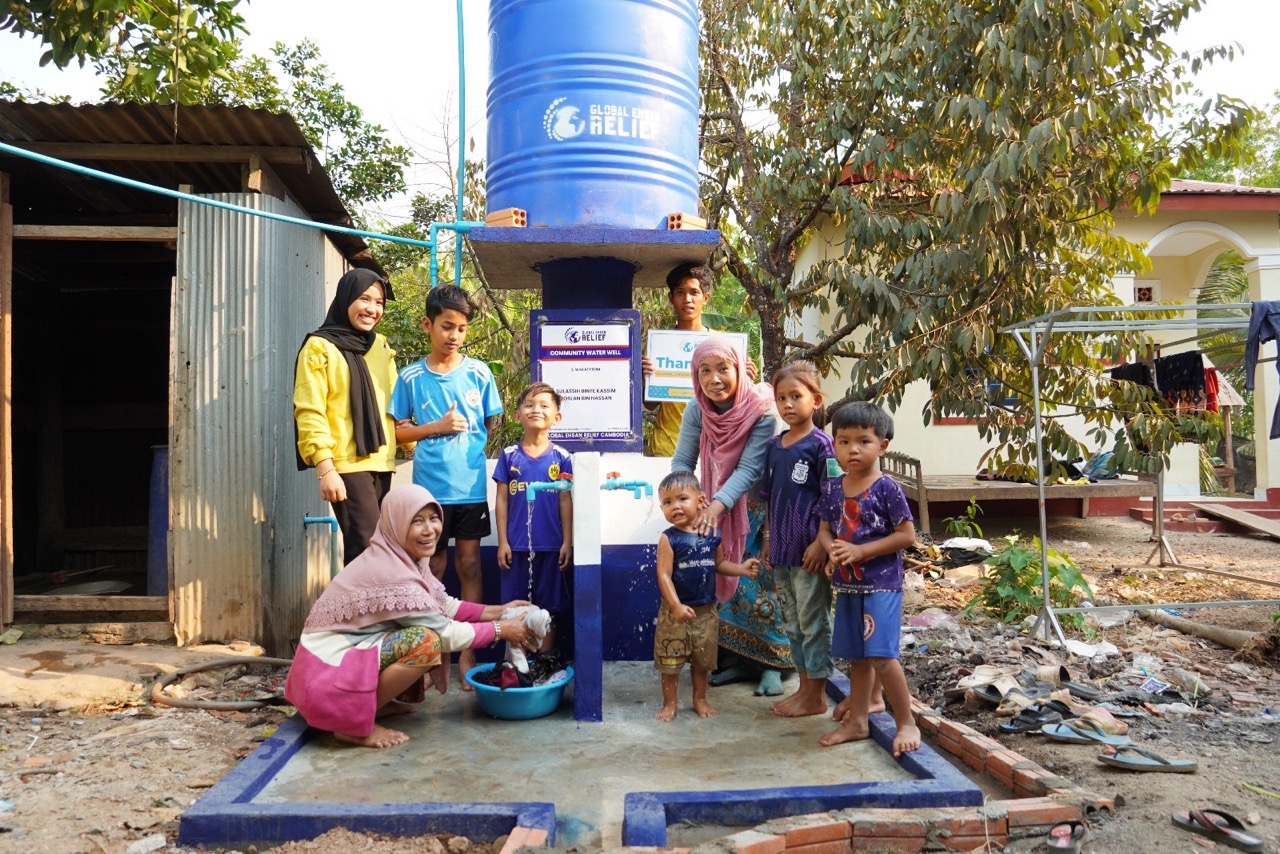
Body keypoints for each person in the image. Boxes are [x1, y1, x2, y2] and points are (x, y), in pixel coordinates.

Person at [284, 484, 537, 749]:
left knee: (422, 636)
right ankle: (352, 723)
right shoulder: (392, 572)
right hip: (323, 677)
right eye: (417, 521)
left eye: (434, 518)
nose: (429, 530)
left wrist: (500, 610)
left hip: (331, 666)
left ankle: (373, 704)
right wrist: (502, 629)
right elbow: (445, 633)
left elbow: (442, 605)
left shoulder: (401, 558)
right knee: (425, 642)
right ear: (396, 523)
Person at [389, 285, 503, 688]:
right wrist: (435, 428)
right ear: (428, 325)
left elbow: (489, 422)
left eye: (462, 328)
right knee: (432, 567)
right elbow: (398, 433)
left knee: (469, 564)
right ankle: (433, 652)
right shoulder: (410, 377)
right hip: (429, 493)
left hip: (469, 488)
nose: (454, 335)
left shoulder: (479, 373)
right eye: (446, 326)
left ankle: (467, 650)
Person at [670, 335, 789, 696]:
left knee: (761, 581)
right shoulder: (697, 409)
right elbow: (683, 461)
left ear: (739, 369)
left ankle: (773, 665)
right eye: (704, 371)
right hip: (715, 505)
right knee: (728, 584)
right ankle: (740, 660)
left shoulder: (762, 409)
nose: (714, 379)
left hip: (762, 507)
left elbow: (751, 468)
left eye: (723, 369)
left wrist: (715, 506)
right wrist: (686, 501)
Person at [815, 402, 921, 757]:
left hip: (881, 585)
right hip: (848, 587)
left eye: (863, 441)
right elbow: (825, 531)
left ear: (882, 446)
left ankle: (906, 722)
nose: (853, 450)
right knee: (858, 659)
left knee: (881, 656)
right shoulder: (833, 488)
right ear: (834, 444)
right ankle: (858, 722)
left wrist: (861, 551)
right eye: (843, 441)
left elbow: (906, 535)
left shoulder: (887, 488)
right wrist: (831, 552)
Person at [294, 268, 401, 564]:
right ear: (345, 298)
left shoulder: (380, 346)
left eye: (379, 302)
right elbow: (310, 410)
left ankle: (361, 598)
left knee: (379, 549)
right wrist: (325, 469)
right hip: (345, 464)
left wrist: (415, 442)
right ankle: (354, 598)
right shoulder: (319, 346)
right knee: (367, 549)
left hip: (382, 462)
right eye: (364, 299)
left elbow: (394, 403)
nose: (372, 309)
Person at [759, 360, 838, 718]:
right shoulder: (774, 447)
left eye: (796, 396)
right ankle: (804, 689)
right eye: (781, 398)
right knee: (792, 623)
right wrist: (768, 538)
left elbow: (833, 496)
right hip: (782, 551)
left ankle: (816, 695)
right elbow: (770, 497)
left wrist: (822, 542)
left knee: (813, 622)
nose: (788, 404)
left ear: (816, 400)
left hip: (809, 553)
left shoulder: (822, 446)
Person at [653, 470, 760, 721]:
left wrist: (741, 569)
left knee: (702, 661)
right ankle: (670, 703)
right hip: (675, 614)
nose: (675, 506)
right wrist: (676, 606)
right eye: (667, 502)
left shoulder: (712, 534)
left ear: (701, 500)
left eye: (682, 498)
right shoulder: (668, 539)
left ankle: (700, 699)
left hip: (705, 613)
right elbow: (664, 575)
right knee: (670, 660)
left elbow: (719, 564)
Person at [641, 263, 756, 457]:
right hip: (667, 448)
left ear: (706, 298)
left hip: (713, 449)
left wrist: (746, 381)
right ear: (671, 298)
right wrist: (646, 380)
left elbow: (739, 404)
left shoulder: (725, 346)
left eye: (694, 292)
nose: (687, 299)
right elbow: (651, 404)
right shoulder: (659, 345)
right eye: (680, 292)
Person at [492, 382, 573, 653]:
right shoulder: (508, 456)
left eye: (543, 405)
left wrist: (566, 542)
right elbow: (502, 499)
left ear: (556, 417)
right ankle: (517, 664)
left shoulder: (562, 458)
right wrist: (502, 542)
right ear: (518, 415)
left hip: (551, 548)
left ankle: (543, 664)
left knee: (548, 612)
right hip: (515, 548)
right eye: (529, 405)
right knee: (514, 610)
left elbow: (565, 500)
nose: (536, 409)